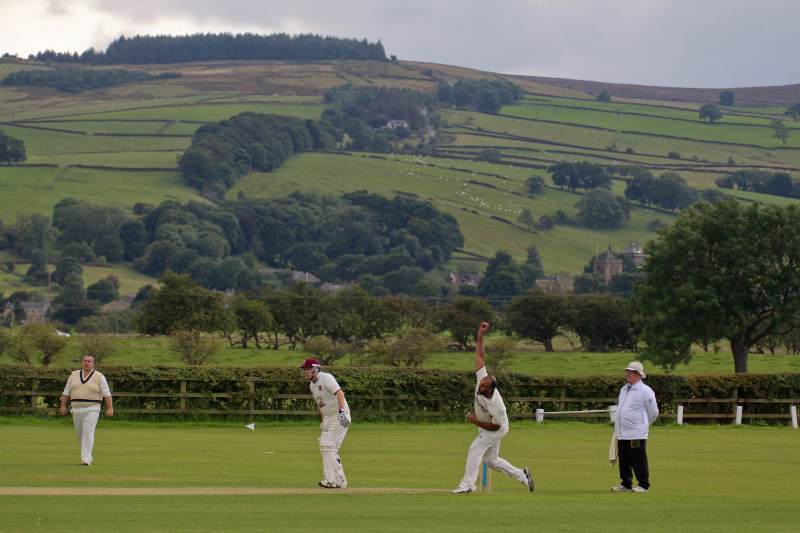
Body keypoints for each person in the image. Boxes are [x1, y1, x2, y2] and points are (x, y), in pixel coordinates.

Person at [453, 322, 534, 494]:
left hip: (498, 427)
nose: (479, 386)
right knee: (491, 461)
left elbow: (496, 426)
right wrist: (480, 335)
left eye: (483, 386)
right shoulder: (482, 379)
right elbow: (480, 357)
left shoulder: (497, 405)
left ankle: (468, 484)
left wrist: (476, 422)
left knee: (476, 448)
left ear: (491, 389)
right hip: (488, 424)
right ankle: (522, 475)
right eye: (480, 383)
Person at [300, 357, 351, 489]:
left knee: (327, 444)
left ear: (316, 369)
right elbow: (321, 404)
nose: (306, 372)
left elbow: (340, 393)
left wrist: (341, 412)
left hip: (339, 414)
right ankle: (340, 480)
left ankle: (330, 480)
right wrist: (324, 421)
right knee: (331, 448)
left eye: (308, 369)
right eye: (304, 370)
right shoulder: (312, 385)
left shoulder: (326, 377)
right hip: (329, 418)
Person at [611, 361, 658, 493]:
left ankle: (643, 484)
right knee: (624, 459)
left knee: (638, 458)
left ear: (639, 375)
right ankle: (626, 483)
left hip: (636, 432)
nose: (628, 374)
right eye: (627, 372)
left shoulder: (645, 391)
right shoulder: (624, 389)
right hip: (622, 432)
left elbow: (653, 412)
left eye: (631, 372)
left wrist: (643, 424)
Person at [59, 354, 113, 466]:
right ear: (82, 363)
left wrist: (110, 408)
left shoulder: (99, 376)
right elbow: (66, 392)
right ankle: (86, 456)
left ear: (93, 363)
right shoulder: (74, 375)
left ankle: (86, 459)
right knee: (81, 435)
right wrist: (63, 406)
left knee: (88, 433)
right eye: (84, 361)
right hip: (76, 409)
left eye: (89, 361)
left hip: (92, 408)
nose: (86, 363)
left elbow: (107, 393)